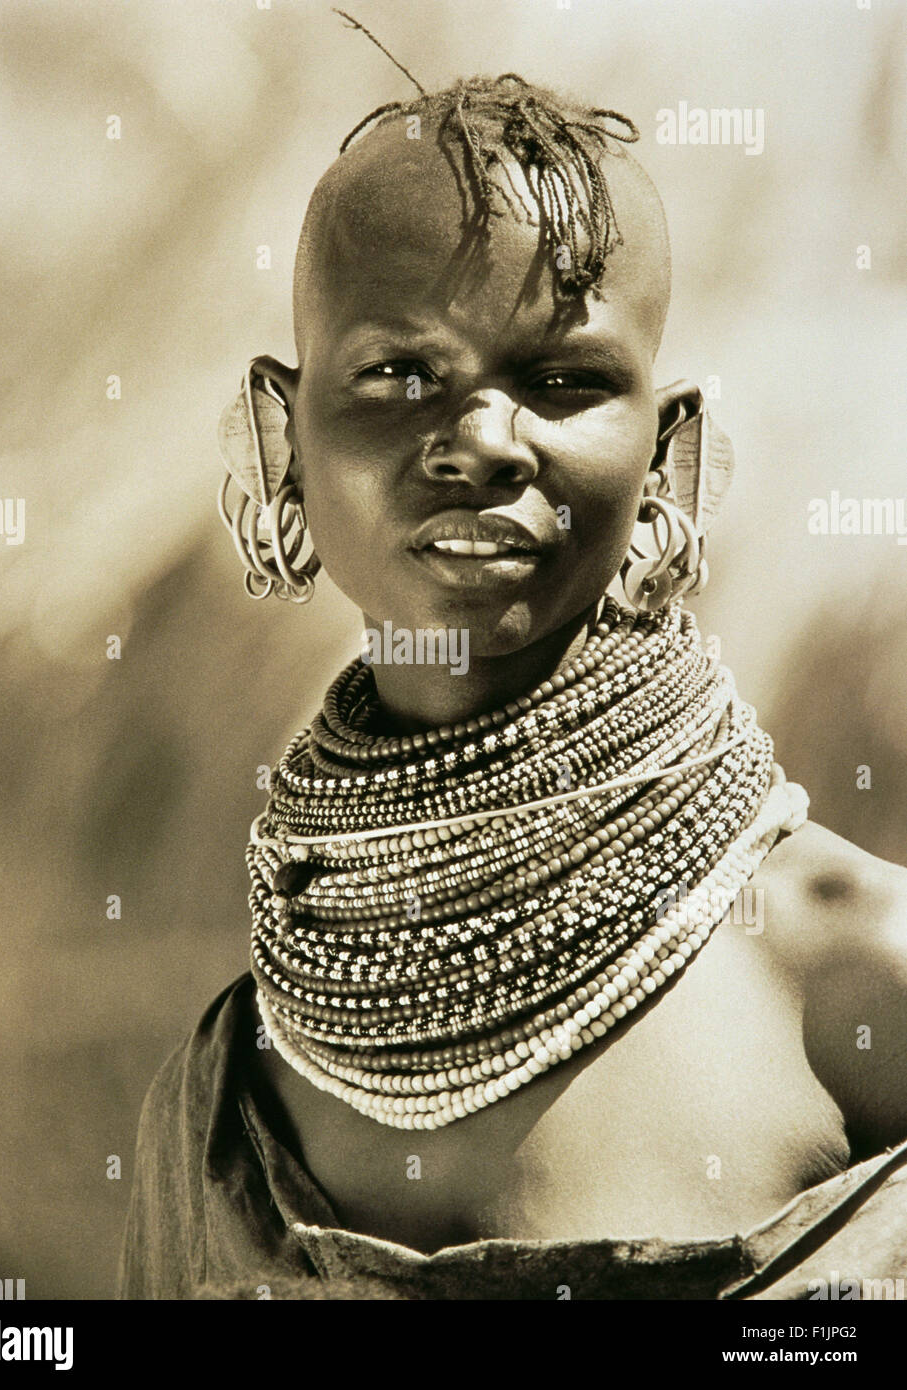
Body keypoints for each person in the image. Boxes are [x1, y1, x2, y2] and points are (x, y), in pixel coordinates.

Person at [118, 74, 907, 1300]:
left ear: (667, 453)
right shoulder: (225, 1100)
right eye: (396, 373)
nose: (483, 439)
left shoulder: (858, 979)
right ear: (279, 436)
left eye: (562, 378)